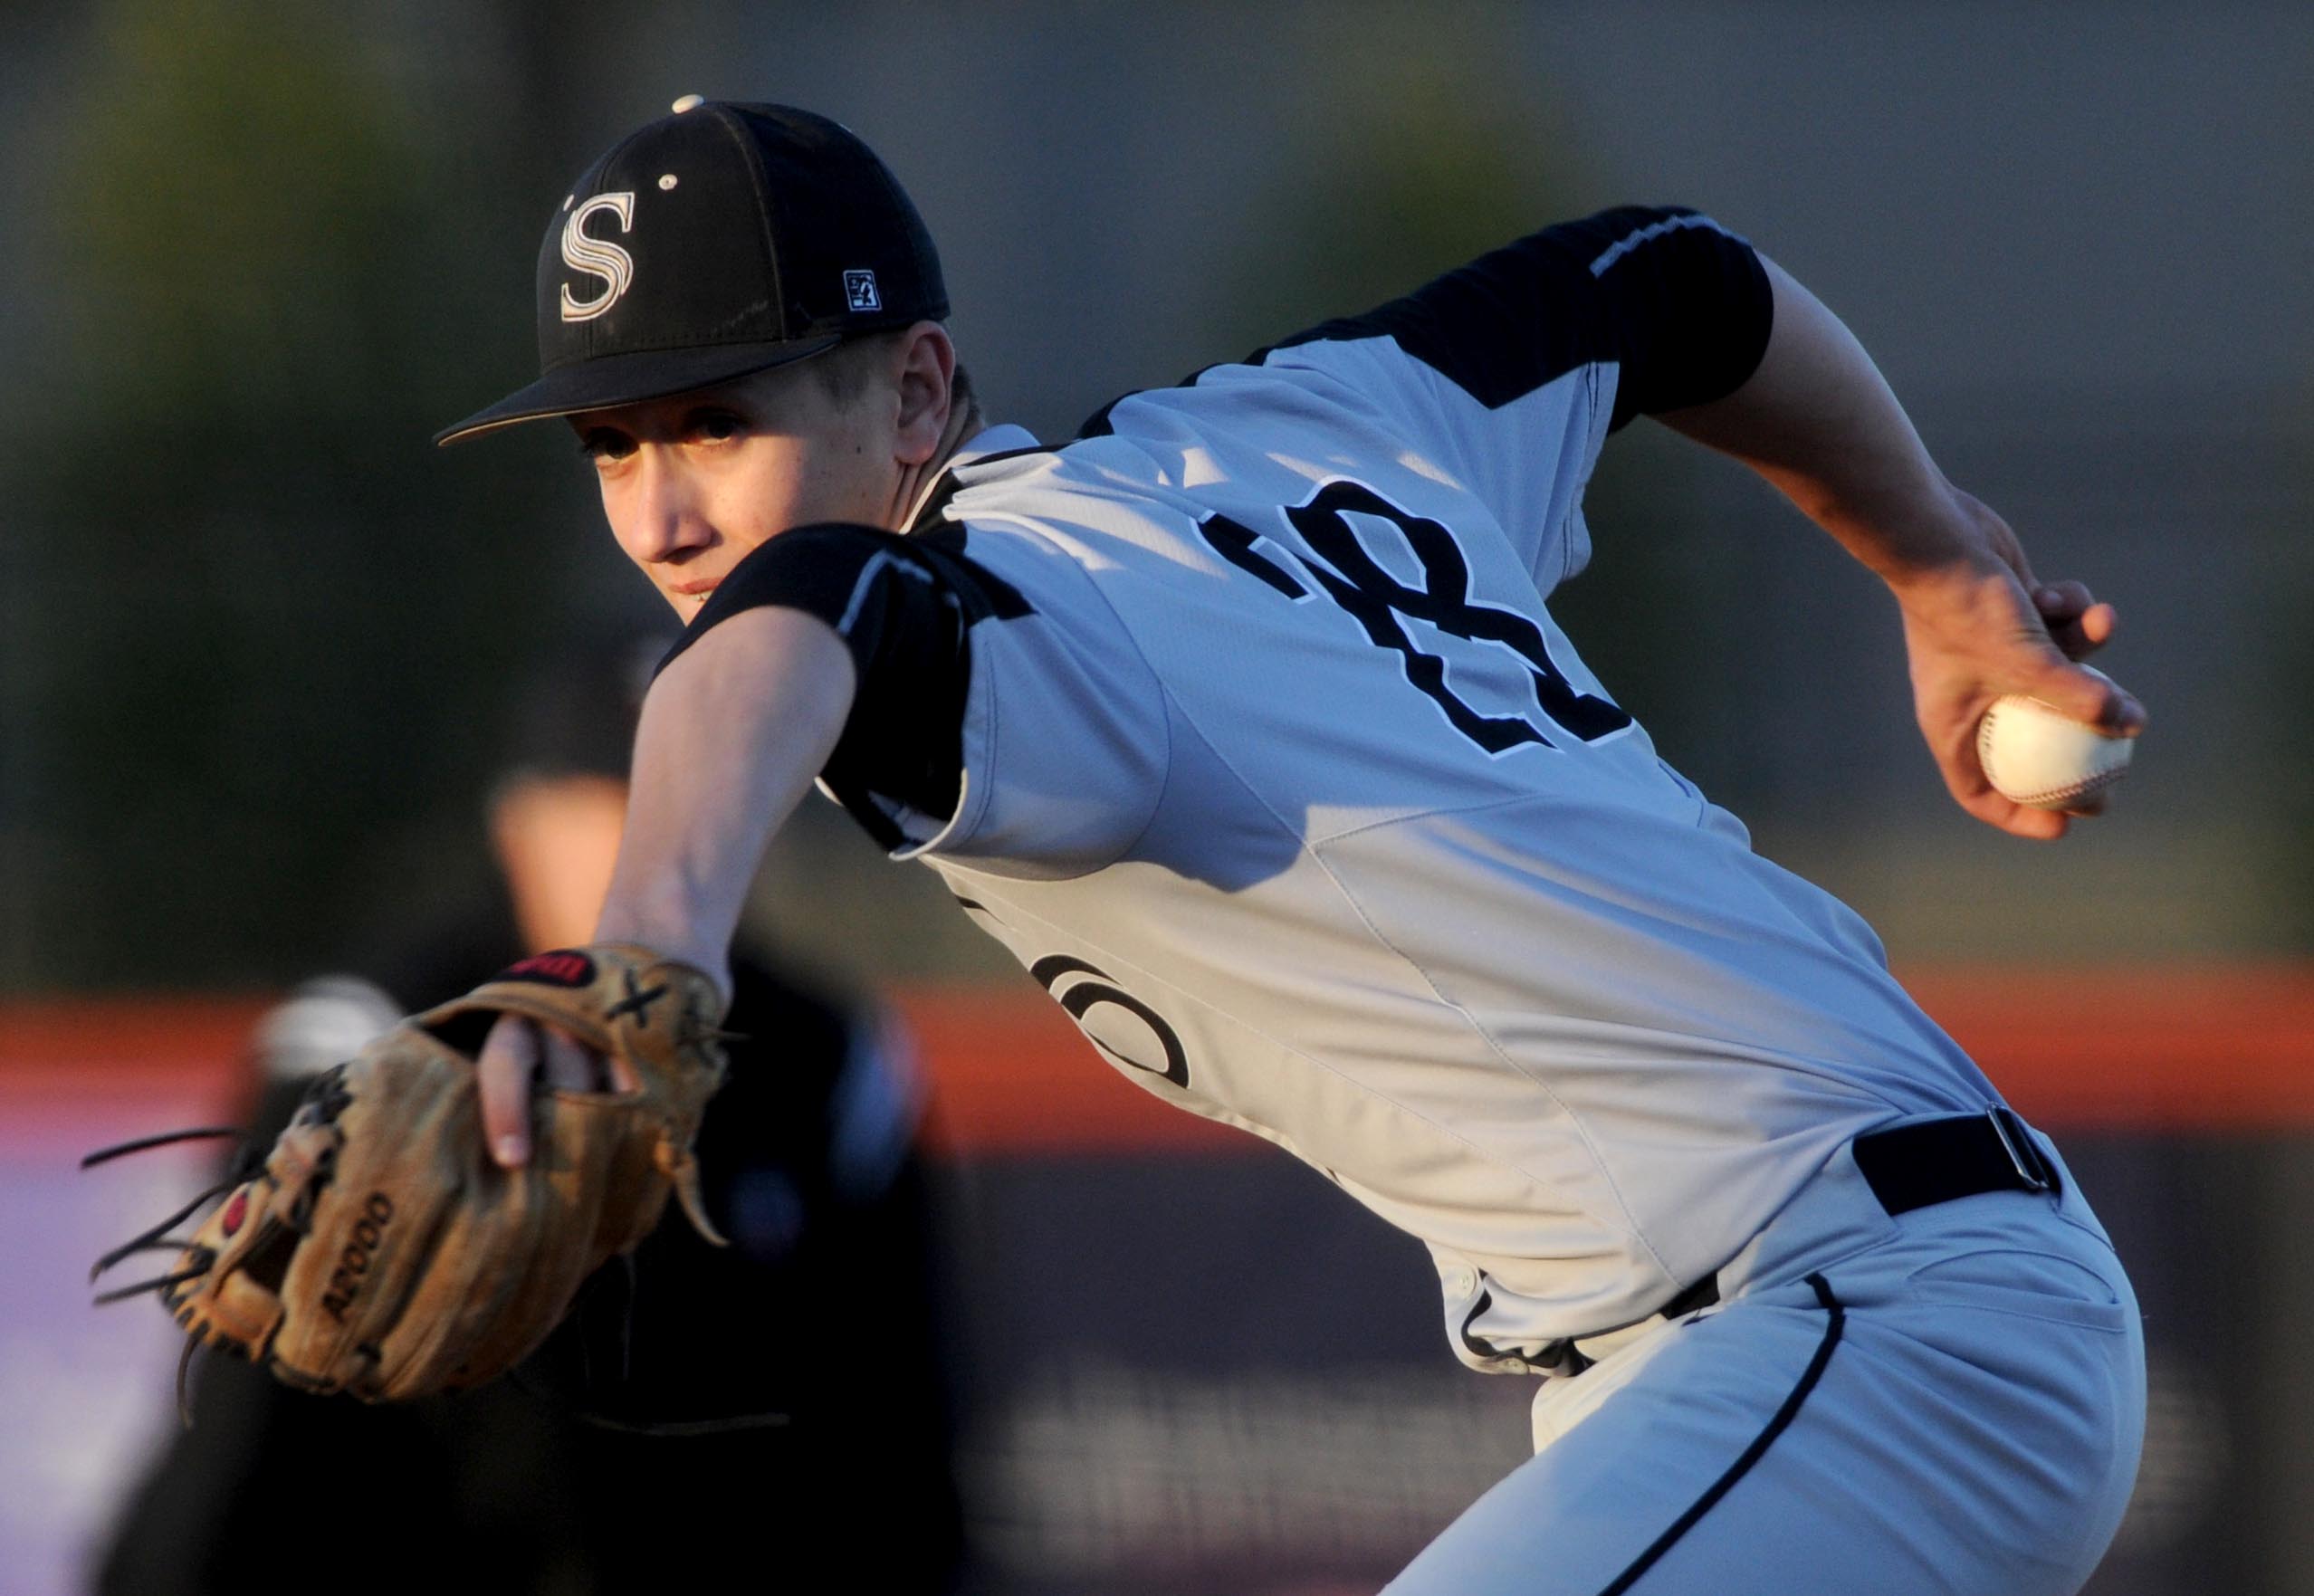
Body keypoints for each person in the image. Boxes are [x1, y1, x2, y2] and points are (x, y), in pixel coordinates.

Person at [435, 98, 2147, 1594]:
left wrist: (638, 943)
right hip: (1788, 1345)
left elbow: (810, 610)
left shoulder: (1033, 621)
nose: (660, 512)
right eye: (613, 446)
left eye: (717, 424)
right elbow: (1671, 278)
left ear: (918, 388)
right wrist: (1933, 561)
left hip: (1865, 1325)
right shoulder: (1297, 423)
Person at [94, 636, 967, 1595]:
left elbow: (902, 1455)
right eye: (616, 810)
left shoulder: (827, 1062)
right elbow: (235, 1452)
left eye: (702, 809)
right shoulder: (380, 1039)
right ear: (521, 826)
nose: (664, 850)